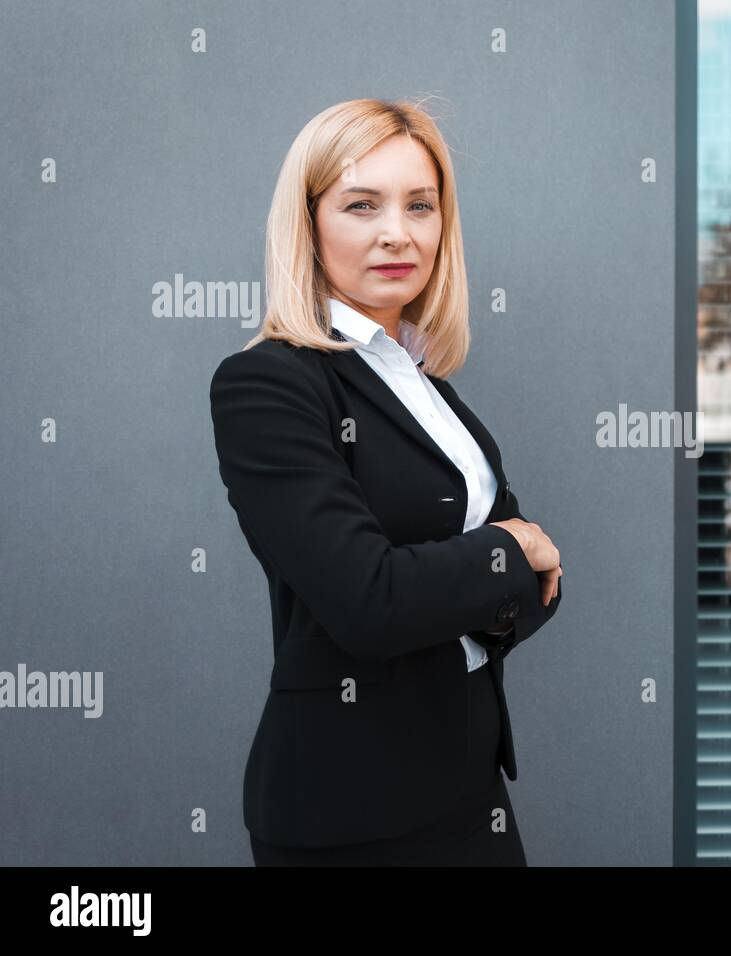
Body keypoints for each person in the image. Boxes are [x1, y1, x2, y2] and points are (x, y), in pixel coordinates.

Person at [208, 98, 563, 865]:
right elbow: (366, 601)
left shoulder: (426, 385)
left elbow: (538, 593)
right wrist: (509, 549)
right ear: (307, 223)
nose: (397, 232)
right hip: (349, 808)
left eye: (420, 206)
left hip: (468, 783)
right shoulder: (267, 384)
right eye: (361, 204)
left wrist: (492, 575)